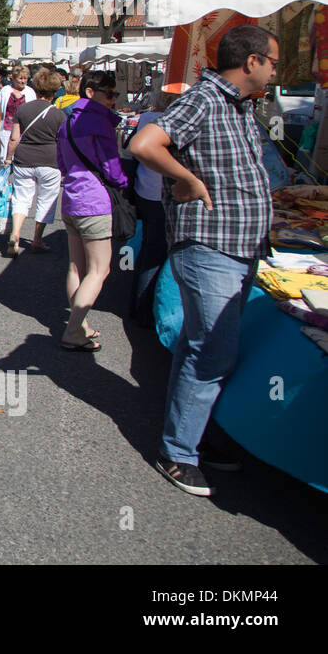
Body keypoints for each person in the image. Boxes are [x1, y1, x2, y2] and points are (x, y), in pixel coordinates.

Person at [130, 26, 278, 498]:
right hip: (211, 247)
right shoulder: (207, 99)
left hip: (235, 246)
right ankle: (178, 452)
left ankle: (196, 435)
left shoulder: (236, 106)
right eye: (273, 62)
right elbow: (144, 144)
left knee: (208, 350)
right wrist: (189, 181)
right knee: (209, 351)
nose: (276, 71)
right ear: (251, 62)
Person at [54, 69, 128, 351]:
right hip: (94, 202)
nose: (113, 99)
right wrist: (122, 183)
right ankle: (74, 329)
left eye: (115, 94)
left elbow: (61, 161)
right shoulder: (99, 122)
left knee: (76, 266)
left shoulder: (67, 121)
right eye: (108, 93)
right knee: (99, 270)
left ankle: (79, 325)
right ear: (89, 92)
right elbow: (111, 165)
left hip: (72, 198)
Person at [127, 84, 186, 327]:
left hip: (144, 188)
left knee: (150, 246)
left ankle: (138, 299)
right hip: (161, 192)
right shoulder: (166, 122)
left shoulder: (146, 118)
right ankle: (143, 308)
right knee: (156, 250)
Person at [2, 68, 65, 257]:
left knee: (22, 198)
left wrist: (8, 158)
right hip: (50, 161)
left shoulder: (23, 109)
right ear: (54, 91)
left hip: (24, 158)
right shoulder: (59, 115)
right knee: (46, 200)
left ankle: (16, 233)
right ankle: (37, 239)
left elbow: (14, 138)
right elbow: (63, 143)